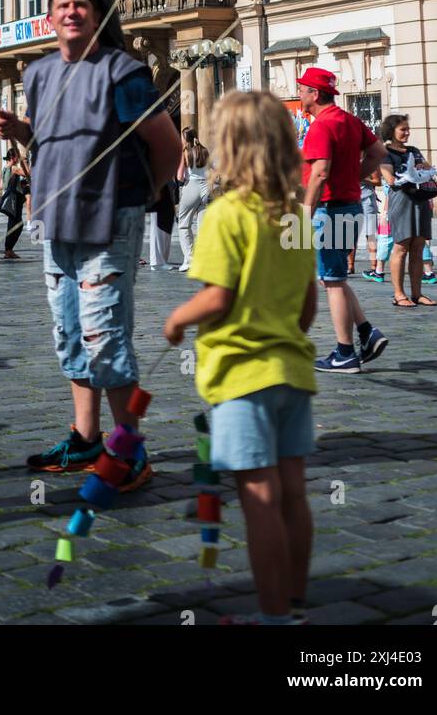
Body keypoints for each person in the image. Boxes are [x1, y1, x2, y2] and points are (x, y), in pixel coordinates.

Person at [0, 0, 181, 486]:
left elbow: (165, 142)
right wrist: (20, 130)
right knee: (70, 332)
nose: (72, 11)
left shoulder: (123, 72)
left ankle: (130, 451)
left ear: (96, 18)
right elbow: (52, 141)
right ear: (51, 18)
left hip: (109, 219)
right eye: (63, 5)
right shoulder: (37, 74)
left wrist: (149, 193)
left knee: (106, 334)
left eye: (82, 4)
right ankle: (86, 438)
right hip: (56, 221)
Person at [164, 91, 316, 625]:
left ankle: (273, 615)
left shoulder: (226, 214)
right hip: (293, 373)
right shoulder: (295, 215)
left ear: (229, 147)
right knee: (294, 493)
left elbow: (218, 296)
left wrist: (178, 318)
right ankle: (295, 601)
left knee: (259, 498)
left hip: (239, 377)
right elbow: (308, 303)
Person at [298, 67, 389, 373]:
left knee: (333, 281)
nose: (299, 94)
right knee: (334, 275)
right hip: (350, 206)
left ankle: (345, 352)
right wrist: (355, 176)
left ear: (315, 94)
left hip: (329, 209)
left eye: (303, 89)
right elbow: (378, 152)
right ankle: (367, 332)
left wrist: (304, 213)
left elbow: (320, 173)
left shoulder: (322, 126)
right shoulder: (350, 120)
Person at [378, 113, 437, 307]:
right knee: (401, 247)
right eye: (403, 129)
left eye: (408, 129)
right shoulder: (385, 153)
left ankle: (417, 293)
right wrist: (412, 175)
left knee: (418, 246)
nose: (407, 133)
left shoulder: (414, 151)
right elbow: (391, 181)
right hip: (402, 201)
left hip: (421, 202)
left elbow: (430, 176)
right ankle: (399, 294)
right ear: (392, 131)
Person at [177, 126, 210, 272]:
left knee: (183, 224)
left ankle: (190, 260)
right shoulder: (204, 150)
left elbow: (180, 176)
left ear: (186, 138)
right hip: (207, 187)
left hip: (192, 186)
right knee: (202, 227)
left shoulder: (185, 152)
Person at [0, 147, 30, 260]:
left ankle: (9, 249)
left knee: (12, 224)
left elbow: (3, 185)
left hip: (10, 198)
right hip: (14, 199)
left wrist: (20, 185)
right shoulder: (13, 168)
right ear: (13, 157)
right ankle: (8, 250)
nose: (19, 158)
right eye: (18, 156)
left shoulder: (5, 168)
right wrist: (25, 161)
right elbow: (28, 173)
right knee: (16, 225)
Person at [353, 169, 381, 277]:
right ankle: (349, 266)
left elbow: (378, 182)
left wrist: (362, 178)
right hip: (351, 199)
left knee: (370, 235)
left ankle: (374, 266)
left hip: (367, 200)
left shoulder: (370, 161)